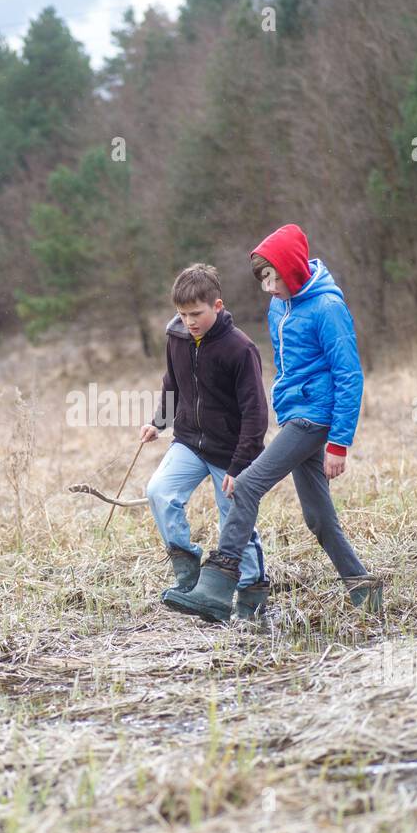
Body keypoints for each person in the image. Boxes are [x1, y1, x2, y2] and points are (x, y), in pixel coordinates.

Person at [162, 225, 381, 625]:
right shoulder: (280, 306)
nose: (267, 287)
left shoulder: (327, 308)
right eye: (262, 278)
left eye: (272, 277)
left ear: (293, 270)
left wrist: (338, 443)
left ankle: (218, 582)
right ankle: (363, 587)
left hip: (315, 419)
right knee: (318, 517)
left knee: (244, 487)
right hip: (295, 415)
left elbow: (349, 374)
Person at [140, 263, 271, 622]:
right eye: (182, 314)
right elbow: (172, 383)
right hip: (188, 442)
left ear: (217, 305)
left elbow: (256, 414)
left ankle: (252, 594)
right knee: (159, 491)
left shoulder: (240, 349)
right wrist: (158, 422)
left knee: (234, 523)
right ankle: (191, 576)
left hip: (230, 452)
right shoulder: (177, 336)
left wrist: (240, 465)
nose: (189, 322)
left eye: (196, 313)